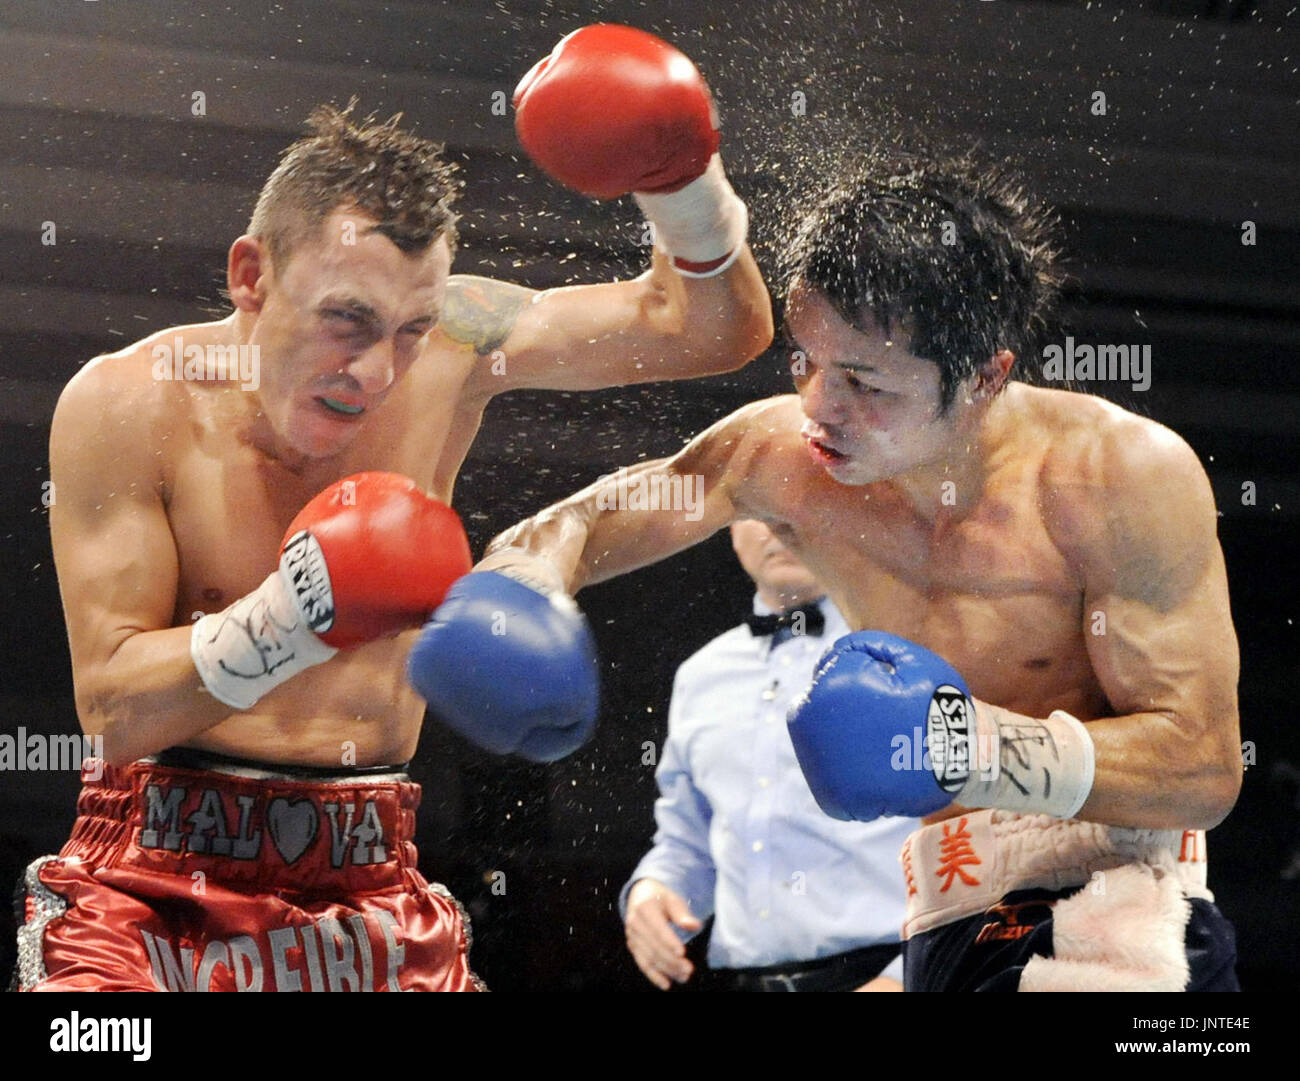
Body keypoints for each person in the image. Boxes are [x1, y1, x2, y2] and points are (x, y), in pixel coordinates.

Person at [17, 24, 772, 992]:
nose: (373, 372)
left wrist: (682, 180)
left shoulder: (459, 340)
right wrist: (298, 613)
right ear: (251, 277)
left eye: (409, 328)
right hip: (149, 887)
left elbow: (708, 331)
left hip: (373, 880)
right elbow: (116, 709)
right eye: (347, 321)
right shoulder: (128, 403)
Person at [477, 152, 1243, 992]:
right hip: (943, 920)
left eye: (864, 382)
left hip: (1116, 910)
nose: (819, 405)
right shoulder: (784, 455)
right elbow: (594, 517)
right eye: (808, 360)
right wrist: (521, 580)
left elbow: (1202, 766)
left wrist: (965, 747)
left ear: (986, 377)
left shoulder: (1117, 475)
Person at [622, 520, 914, 992]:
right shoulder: (700, 675)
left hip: (891, 971)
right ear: (731, 526)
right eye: (760, 507)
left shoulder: (907, 651)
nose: (782, 524)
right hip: (738, 979)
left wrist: (912, 978)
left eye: (799, 504)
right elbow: (689, 844)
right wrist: (652, 892)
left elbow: (974, 829)